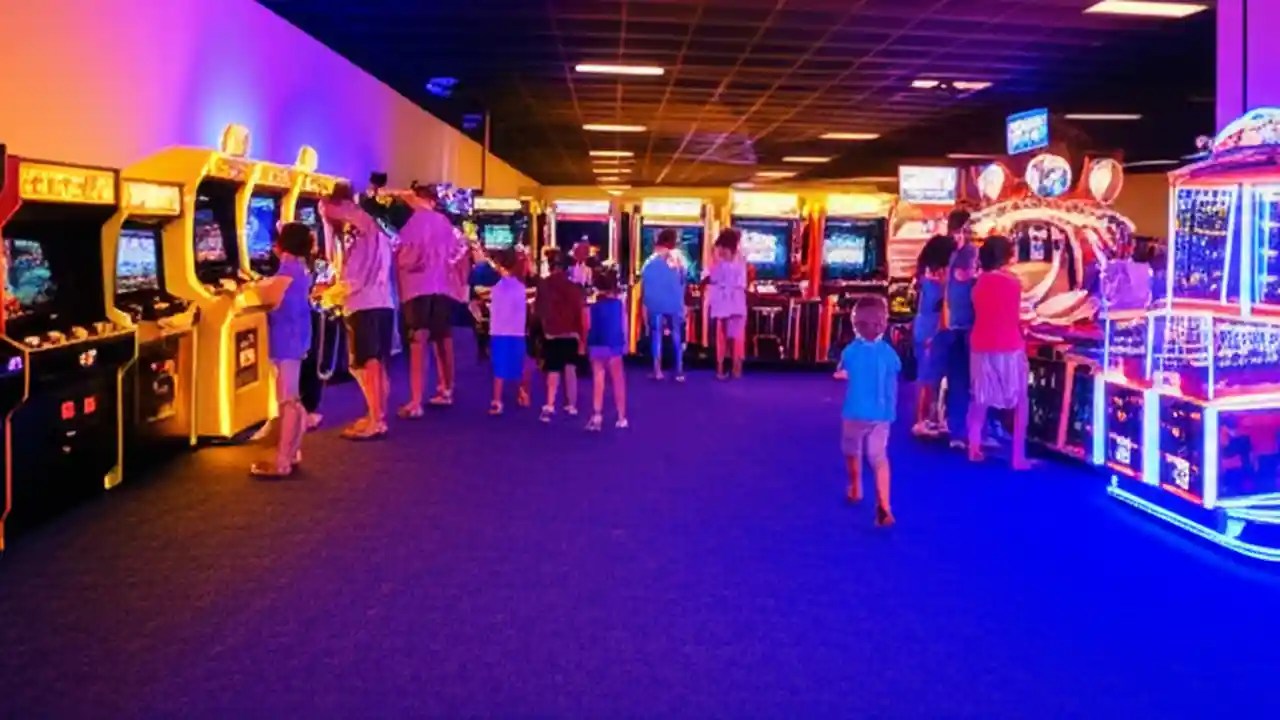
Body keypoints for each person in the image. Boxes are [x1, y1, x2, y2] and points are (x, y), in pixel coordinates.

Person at [320, 183, 395, 440]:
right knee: (374, 362)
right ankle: (378, 415)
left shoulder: (355, 226)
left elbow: (354, 274)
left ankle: (375, 419)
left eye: (326, 210)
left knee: (367, 362)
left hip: (364, 302)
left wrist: (328, 294)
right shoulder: (373, 222)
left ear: (336, 205)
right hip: (383, 300)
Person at [395, 186, 469, 415]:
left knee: (418, 340)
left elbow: (407, 258)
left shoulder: (414, 223)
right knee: (443, 337)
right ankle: (447, 389)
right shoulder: (445, 224)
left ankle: (416, 401)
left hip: (418, 288)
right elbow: (459, 252)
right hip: (443, 288)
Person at [250, 222, 314, 477]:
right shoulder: (301, 269)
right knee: (294, 399)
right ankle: (293, 452)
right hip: (298, 338)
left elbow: (261, 297)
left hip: (287, 341)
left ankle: (282, 461)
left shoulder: (286, 273)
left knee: (287, 400)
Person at [834, 296, 900, 527]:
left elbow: (841, 372)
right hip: (882, 415)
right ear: (884, 324)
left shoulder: (850, 352)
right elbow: (895, 371)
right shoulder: (889, 353)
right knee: (879, 457)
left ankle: (855, 486)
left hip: (855, 412)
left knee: (852, 450)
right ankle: (884, 505)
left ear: (855, 326)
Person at [968, 235, 1032, 470]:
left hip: (981, 343)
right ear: (1007, 255)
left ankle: (973, 447)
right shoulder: (1014, 282)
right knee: (1019, 401)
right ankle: (1018, 457)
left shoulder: (979, 282)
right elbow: (1019, 316)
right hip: (1009, 345)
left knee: (979, 399)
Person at [938, 209, 978, 449]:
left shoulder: (955, 253)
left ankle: (958, 430)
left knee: (959, 378)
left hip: (957, 323)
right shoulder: (967, 253)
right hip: (967, 325)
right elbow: (965, 276)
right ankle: (965, 431)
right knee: (967, 379)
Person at [535, 250, 588, 422]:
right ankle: (571, 404)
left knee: (553, 369)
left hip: (551, 333)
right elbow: (580, 314)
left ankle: (550, 404)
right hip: (571, 333)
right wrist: (582, 338)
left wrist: (542, 330)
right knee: (570, 368)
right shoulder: (574, 288)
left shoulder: (544, 285)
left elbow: (539, 311)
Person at [912, 235, 956, 436]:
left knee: (933, 377)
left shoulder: (927, 277)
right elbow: (938, 309)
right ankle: (921, 420)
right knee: (928, 378)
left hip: (927, 329)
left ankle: (932, 418)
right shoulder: (936, 282)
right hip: (931, 332)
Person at [639, 228, 688, 381]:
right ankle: (679, 370)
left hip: (655, 303)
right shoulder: (679, 259)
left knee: (656, 335)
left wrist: (645, 304)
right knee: (676, 335)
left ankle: (657, 370)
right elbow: (684, 280)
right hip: (674, 303)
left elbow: (644, 284)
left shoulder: (649, 261)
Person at [585, 266, 629, 431]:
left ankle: (597, 415)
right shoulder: (619, 305)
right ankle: (621, 416)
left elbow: (589, 325)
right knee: (618, 380)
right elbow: (624, 325)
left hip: (597, 342)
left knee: (598, 379)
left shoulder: (593, 306)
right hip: (614, 343)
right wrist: (626, 344)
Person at [486, 249, 528, 415]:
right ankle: (522, 394)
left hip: (499, 330)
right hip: (517, 331)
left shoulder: (497, 288)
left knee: (499, 367)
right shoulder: (520, 287)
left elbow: (495, 309)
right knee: (518, 364)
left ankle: (497, 400)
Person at [706, 228, 748, 380]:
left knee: (722, 336)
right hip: (736, 299)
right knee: (736, 337)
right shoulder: (740, 257)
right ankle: (736, 369)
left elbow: (712, 277)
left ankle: (720, 369)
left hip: (721, 299)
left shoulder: (716, 255)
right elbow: (742, 281)